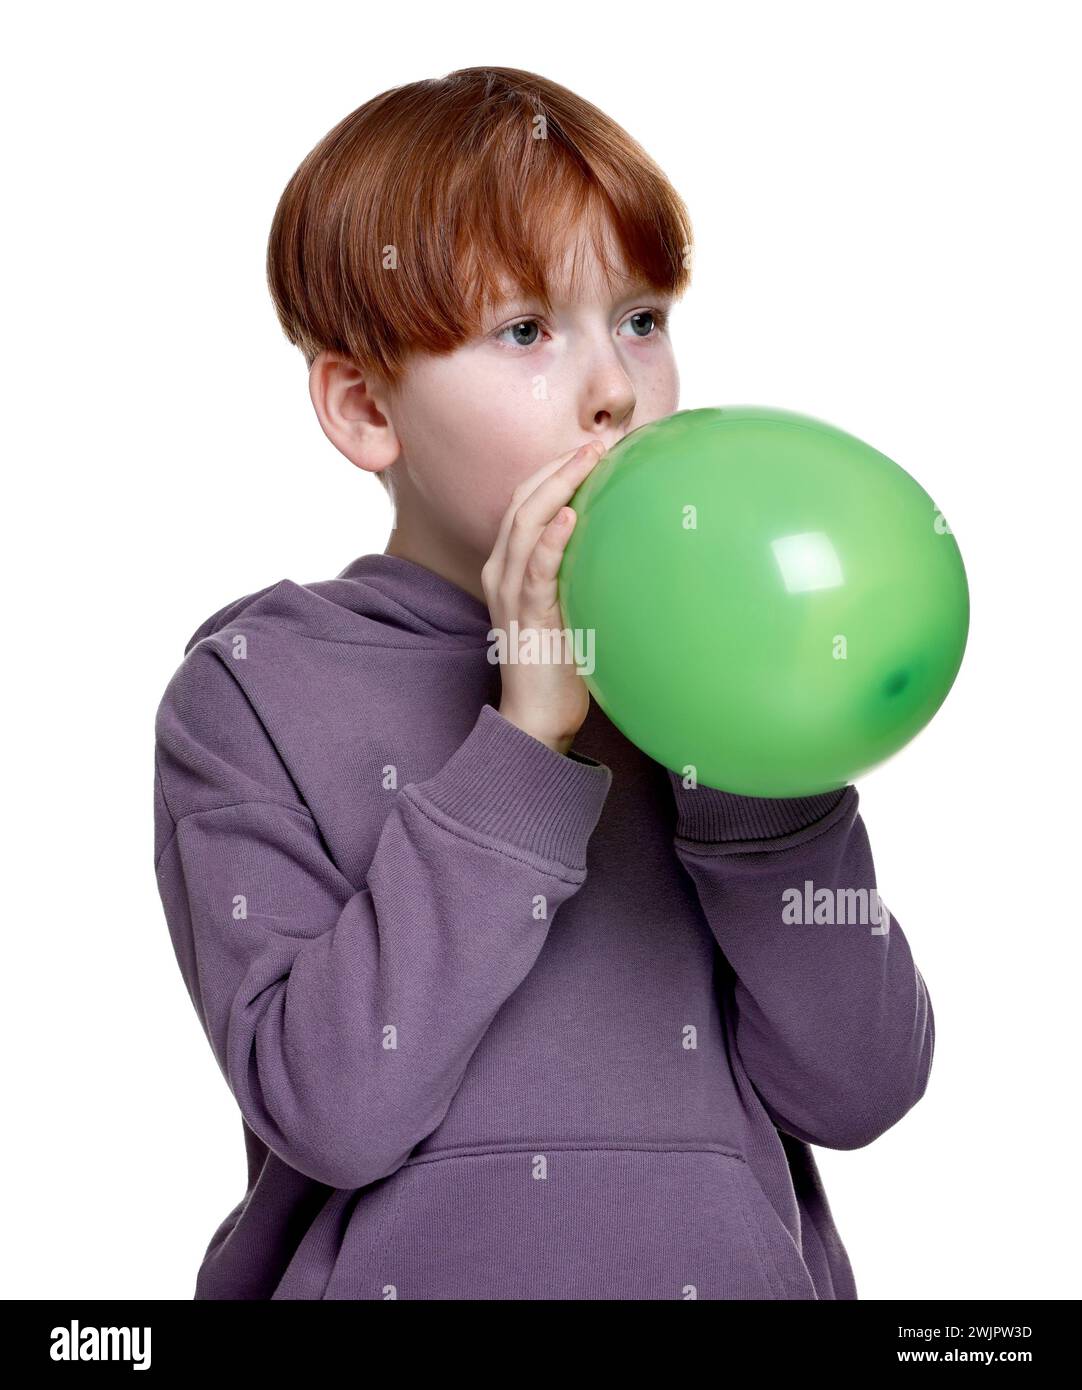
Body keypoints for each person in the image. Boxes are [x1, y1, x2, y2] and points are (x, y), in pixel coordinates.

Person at [152, 65, 934, 1300]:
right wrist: (524, 742)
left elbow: (859, 1085)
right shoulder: (257, 687)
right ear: (364, 406)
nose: (613, 386)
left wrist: (756, 776)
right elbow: (334, 1105)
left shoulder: (712, 674)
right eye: (526, 331)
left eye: (640, 318)